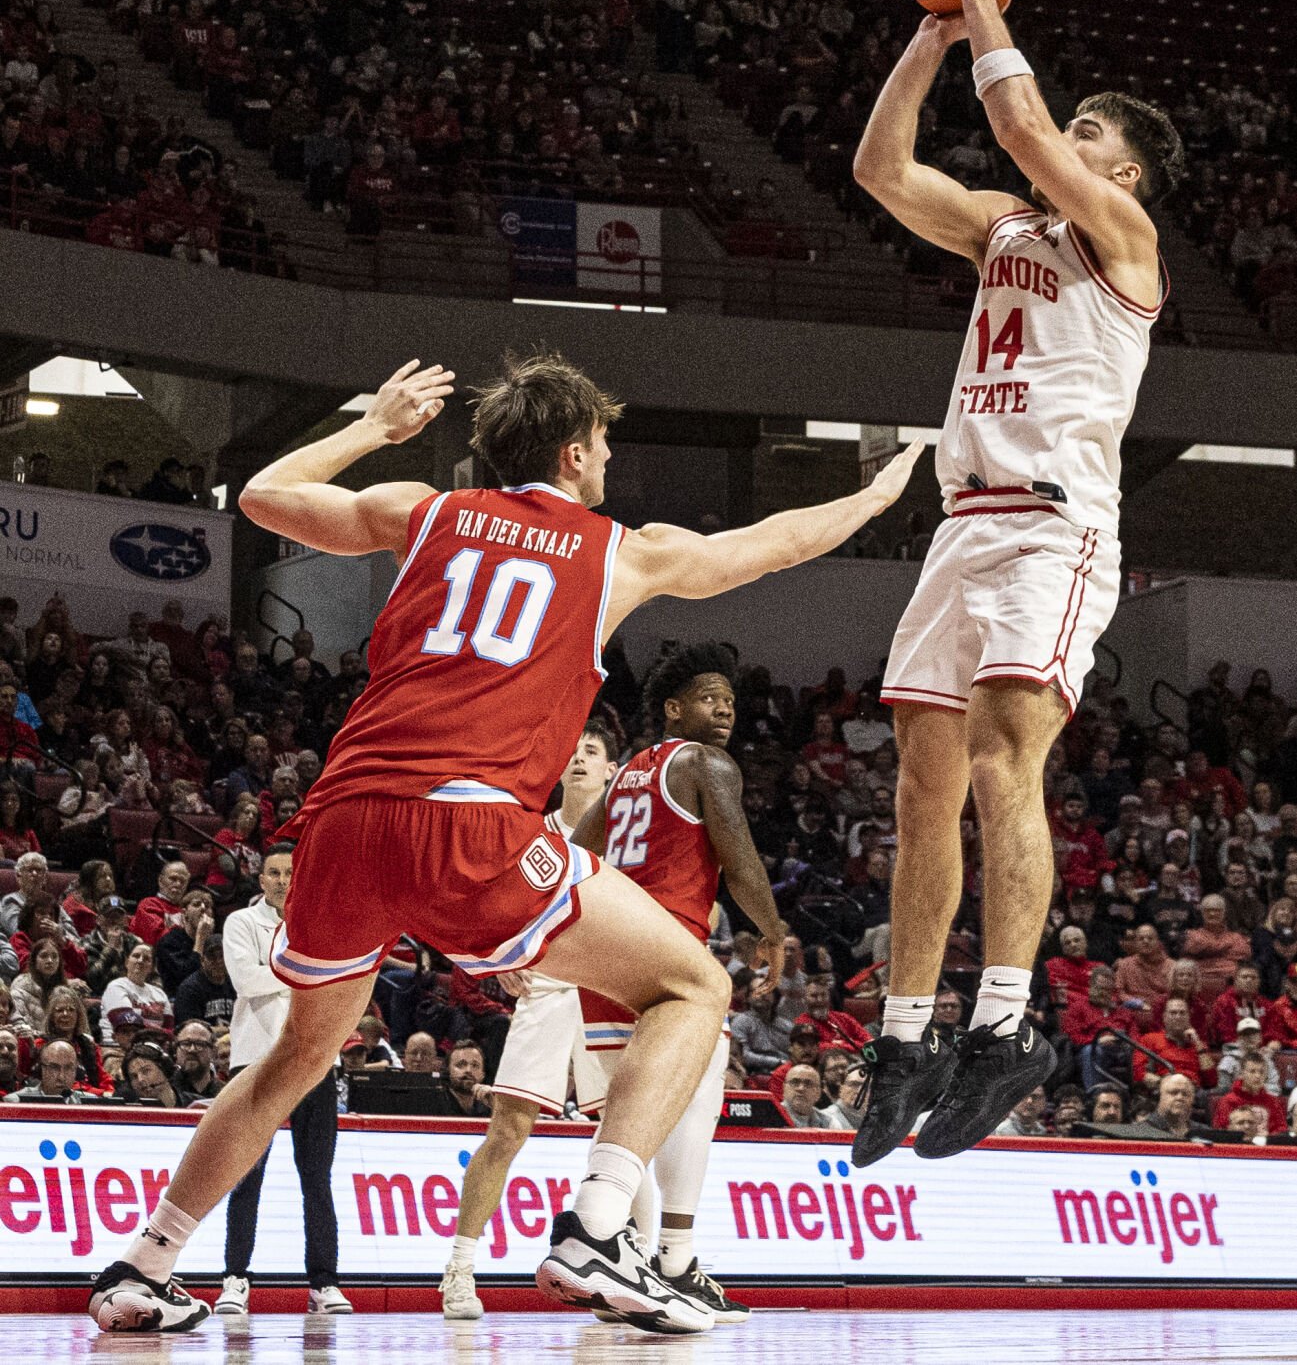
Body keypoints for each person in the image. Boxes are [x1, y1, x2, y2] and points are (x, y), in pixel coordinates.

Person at [90, 349, 919, 1335]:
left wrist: (374, 427)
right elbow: (771, 544)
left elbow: (266, 496)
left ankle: (145, 1263)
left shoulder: (424, 512)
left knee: (293, 1058)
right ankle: (598, 1228)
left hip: (345, 816)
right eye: (602, 444)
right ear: (572, 454)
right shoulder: (617, 551)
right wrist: (877, 495)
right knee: (694, 985)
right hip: (468, 820)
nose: (607, 459)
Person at [849, 0, 1184, 1167]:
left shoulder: (1126, 241)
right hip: (963, 523)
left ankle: (1001, 1027)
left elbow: (1022, 129)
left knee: (1002, 765)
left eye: (1091, 134)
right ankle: (902, 1038)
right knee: (921, 784)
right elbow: (881, 172)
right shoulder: (1004, 227)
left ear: (1122, 175)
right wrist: (931, 32)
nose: (1066, 137)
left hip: (1054, 528)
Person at [568, 642, 791, 1324]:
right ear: (672, 708)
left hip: (602, 954)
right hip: (663, 954)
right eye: (708, 697)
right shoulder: (704, 763)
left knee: (632, 1111)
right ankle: (674, 1259)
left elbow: (576, 853)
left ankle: (627, 1260)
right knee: (694, 1093)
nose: (724, 708)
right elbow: (740, 860)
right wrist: (772, 931)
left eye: (729, 699)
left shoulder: (624, 776)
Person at [439, 723, 619, 1321]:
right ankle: (459, 1270)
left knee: (622, 1136)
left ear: (612, 770)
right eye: (572, 751)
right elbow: (486, 908)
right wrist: (500, 960)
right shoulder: (531, 831)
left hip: (608, 991)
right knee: (508, 1130)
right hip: (547, 991)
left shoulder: (626, 837)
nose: (579, 759)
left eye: (592, 752)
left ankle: (638, 1273)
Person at [214, 844, 351, 1317]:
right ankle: (235, 1278)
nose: (281, 881)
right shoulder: (240, 923)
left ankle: (324, 1283)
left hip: (315, 1062)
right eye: (273, 873)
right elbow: (246, 982)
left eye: (289, 873)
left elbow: (339, 987)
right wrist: (306, 975)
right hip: (255, 1061)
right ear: (261, 881)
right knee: (245, 1175)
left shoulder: (323, 925)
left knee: (317, 1179)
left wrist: (297, 976)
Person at [4, 1038, 92, 1105]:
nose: (61, 1077)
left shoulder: (90, 1103)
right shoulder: (16, 1102)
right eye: (54, 1068)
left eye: (68, 1068)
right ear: (41, 1069)